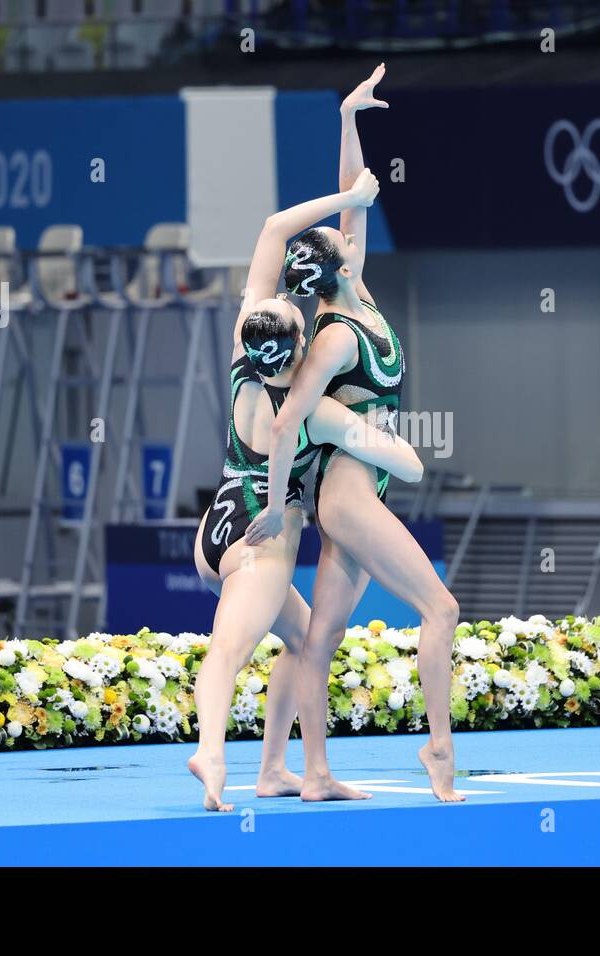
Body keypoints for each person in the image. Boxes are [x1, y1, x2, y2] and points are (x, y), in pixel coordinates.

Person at [244, 64, 464, 803]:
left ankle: (308, 776)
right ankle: (438, 748)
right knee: (442, 610)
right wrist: (275, 509)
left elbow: (354, 193)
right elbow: (283, 419)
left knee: (319, 640)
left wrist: (347, 118)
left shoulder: (356, 288)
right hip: (344, 494)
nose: (350, 233)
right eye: (341, 239)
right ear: (334, 267)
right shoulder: (336, 335)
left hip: (356, 487)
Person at [187, 168, 424, 812]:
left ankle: (273, 770)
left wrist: (353, 199)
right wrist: (369, 443)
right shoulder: (307, 404)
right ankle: (212, 750)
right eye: (298, 313)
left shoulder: (245, 346)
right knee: (229, 649)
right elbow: (400, 462)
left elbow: (271, 231)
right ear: (299, 345)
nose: (294, 301)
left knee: (300, 638)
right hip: (261, 535)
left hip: (214, 526)